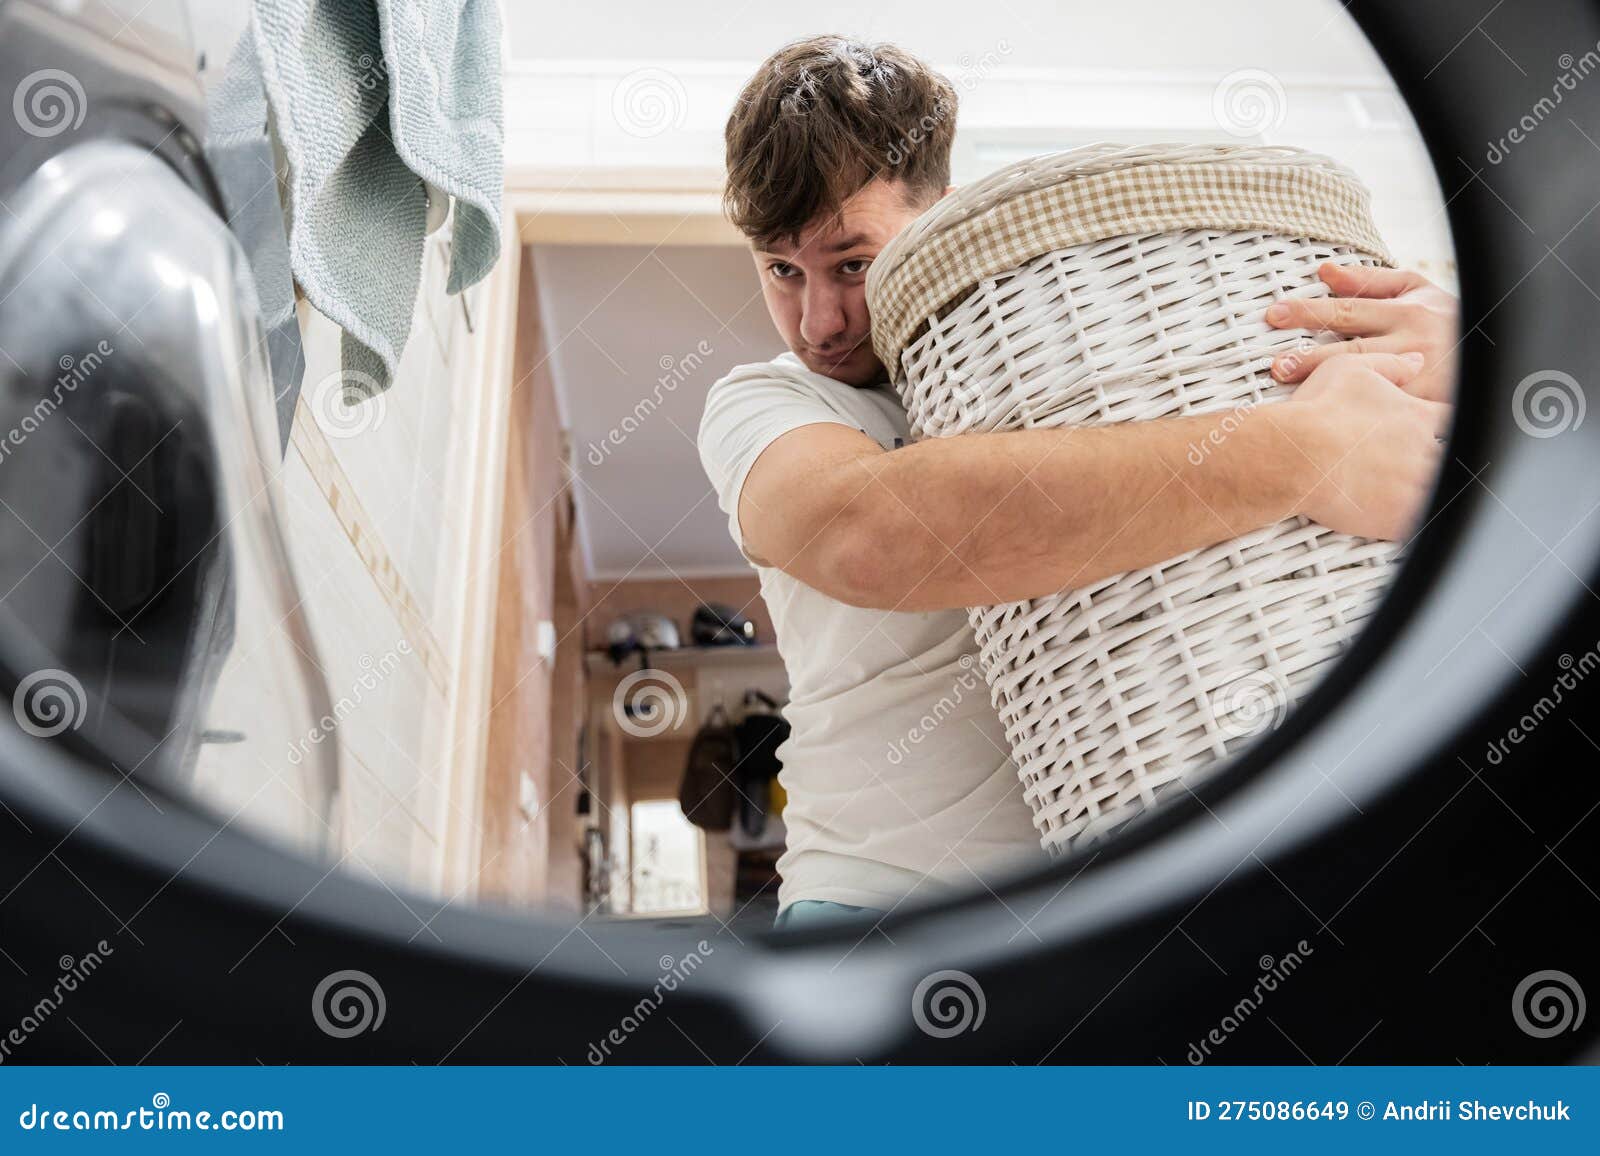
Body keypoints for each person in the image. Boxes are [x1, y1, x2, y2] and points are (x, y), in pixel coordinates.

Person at [696, 36, 1459, 930]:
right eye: (781, 270)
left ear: (939, 215)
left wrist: (1456, 361)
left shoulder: (1051, 359)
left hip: (1132, 903)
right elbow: (867, 534)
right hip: (879, 916)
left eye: (852, 264)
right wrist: (1303, 454)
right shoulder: (766, 401)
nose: (818, 320)